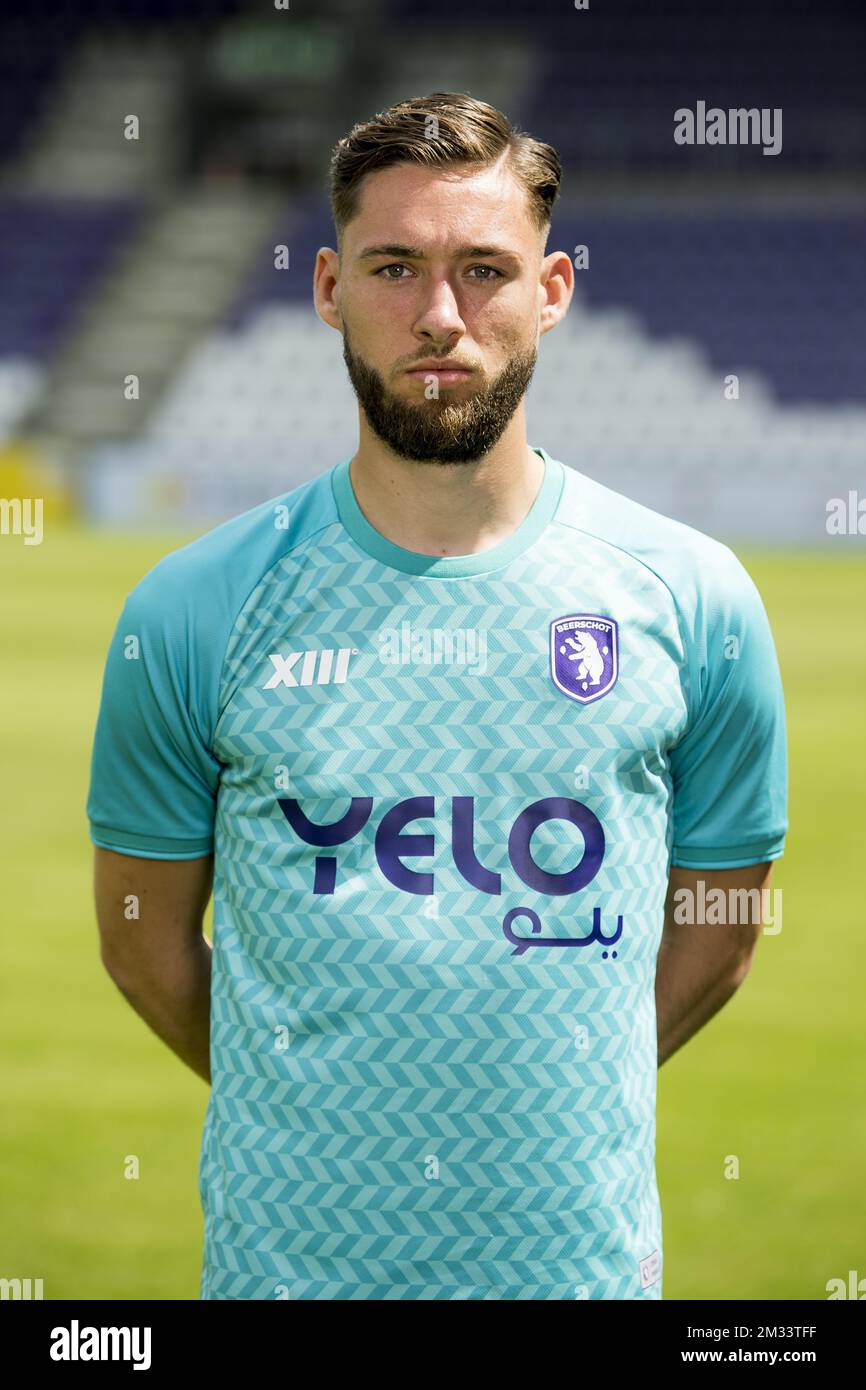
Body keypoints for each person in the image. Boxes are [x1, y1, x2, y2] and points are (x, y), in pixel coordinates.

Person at [87, 91, 787, 1300]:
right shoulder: (194, 607)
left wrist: (564, 1091)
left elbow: (723, 924)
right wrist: (311, 1099)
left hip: (573, 1277)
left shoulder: (691, 599)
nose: (439, 316)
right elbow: (142, 941)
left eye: (484, 270)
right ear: (326, 287)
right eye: (395, 267)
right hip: (287, 1276)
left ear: (553, 289)